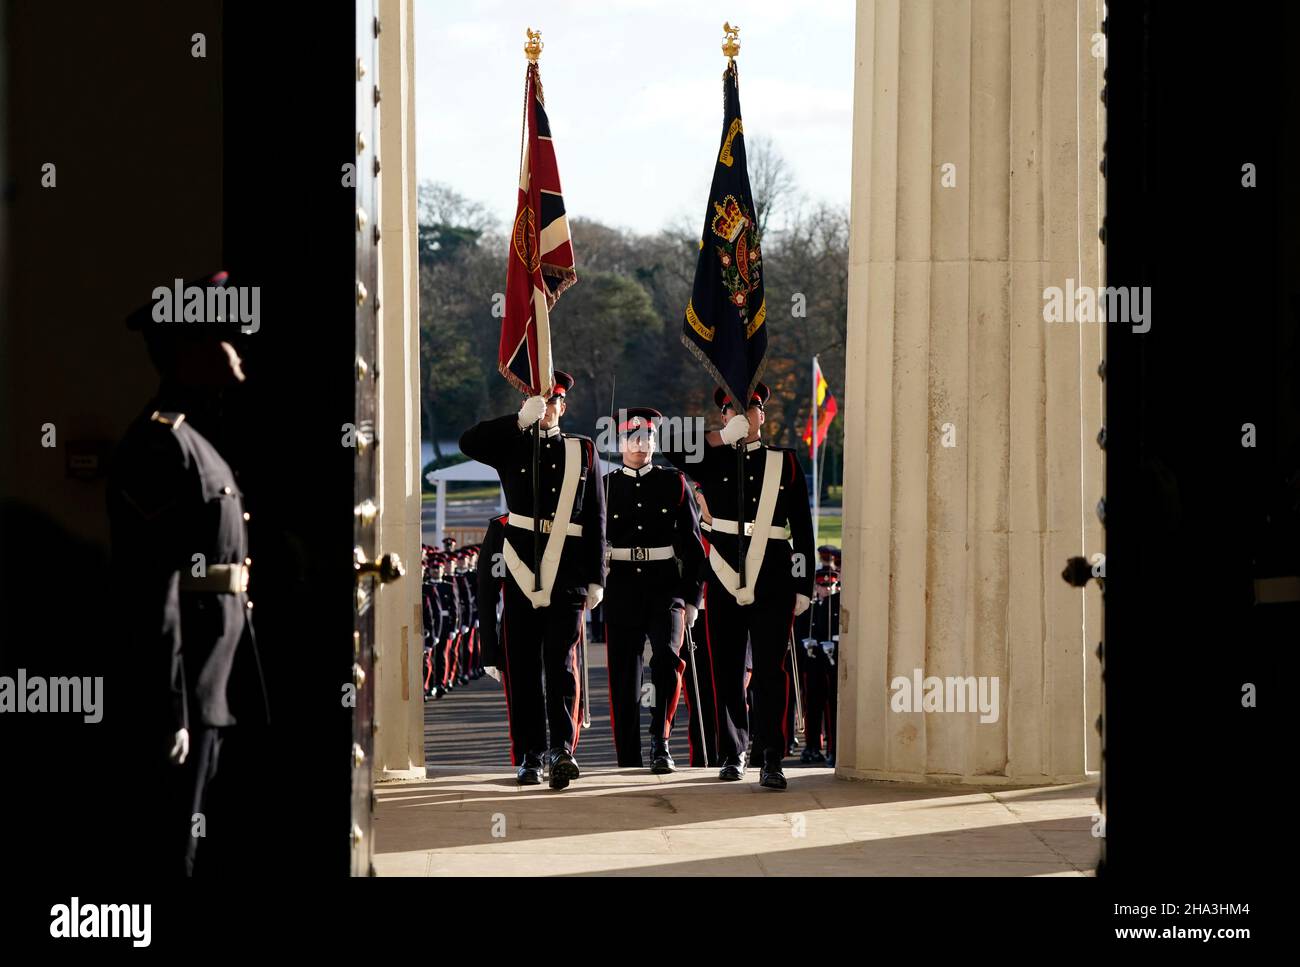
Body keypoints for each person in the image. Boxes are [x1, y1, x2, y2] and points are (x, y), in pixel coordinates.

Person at [108, 269, 269, 875]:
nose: (237, 350)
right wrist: (169, 705)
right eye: (223, 337)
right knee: (173, 851)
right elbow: (151, 587)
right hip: (189, 687)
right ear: (189, 351)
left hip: (217, 682)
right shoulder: (158, 446)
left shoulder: (198, 440)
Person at [458, 370, 605, 789]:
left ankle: (562, 749)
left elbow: (594, 517)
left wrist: (596, 577)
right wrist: (518, 420)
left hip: (569, 573)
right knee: (521, 667)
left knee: (562, 665)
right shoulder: (511, 443)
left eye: (555, 400)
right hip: (521, 568)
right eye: (542, 400)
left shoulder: (584, 451)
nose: (549, 407)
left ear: (564, 406)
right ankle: (530, 753)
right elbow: (470, 442)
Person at [663, 382, 814, 790]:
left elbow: (802, 528)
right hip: (725, 573)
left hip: (774, 576)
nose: (743, 417)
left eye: (751, 410)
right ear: (724, 417)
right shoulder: (711, 459)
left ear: (763, 416)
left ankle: (772, 756)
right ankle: (733, 752)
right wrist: (719, 438)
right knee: (726, 669)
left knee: (770, 669)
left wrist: (804, 584)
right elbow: (668, 445)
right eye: (732, 411)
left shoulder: (786, 463)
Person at [602, 407, 705, 772]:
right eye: (633, 437)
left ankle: (661, 741)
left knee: (666, 659)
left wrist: (693, 597)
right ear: (620, 442)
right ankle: (627, 758)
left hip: (665, 587)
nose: (640, 444)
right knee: (624, 677)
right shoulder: (605, 485)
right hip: (622, 587)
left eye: (647, 437)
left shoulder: (673, 482)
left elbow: (693, 547)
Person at [680, 482, 720, 767]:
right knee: (698, 697)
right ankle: (702, 760)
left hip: (726, 616)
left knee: (732, 694)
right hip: (697, 616)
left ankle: (734, 754)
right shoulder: (689, 529)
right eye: (702, 494)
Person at [797, 564, 840, 765]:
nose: (827, 589)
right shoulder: (812, 607)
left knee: (832, 709)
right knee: (812, 708)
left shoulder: (836, 606)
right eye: (823, 586)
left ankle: (833, 749)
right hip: (813, 665)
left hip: (831, 665)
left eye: (830, 586)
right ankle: (812, 746)